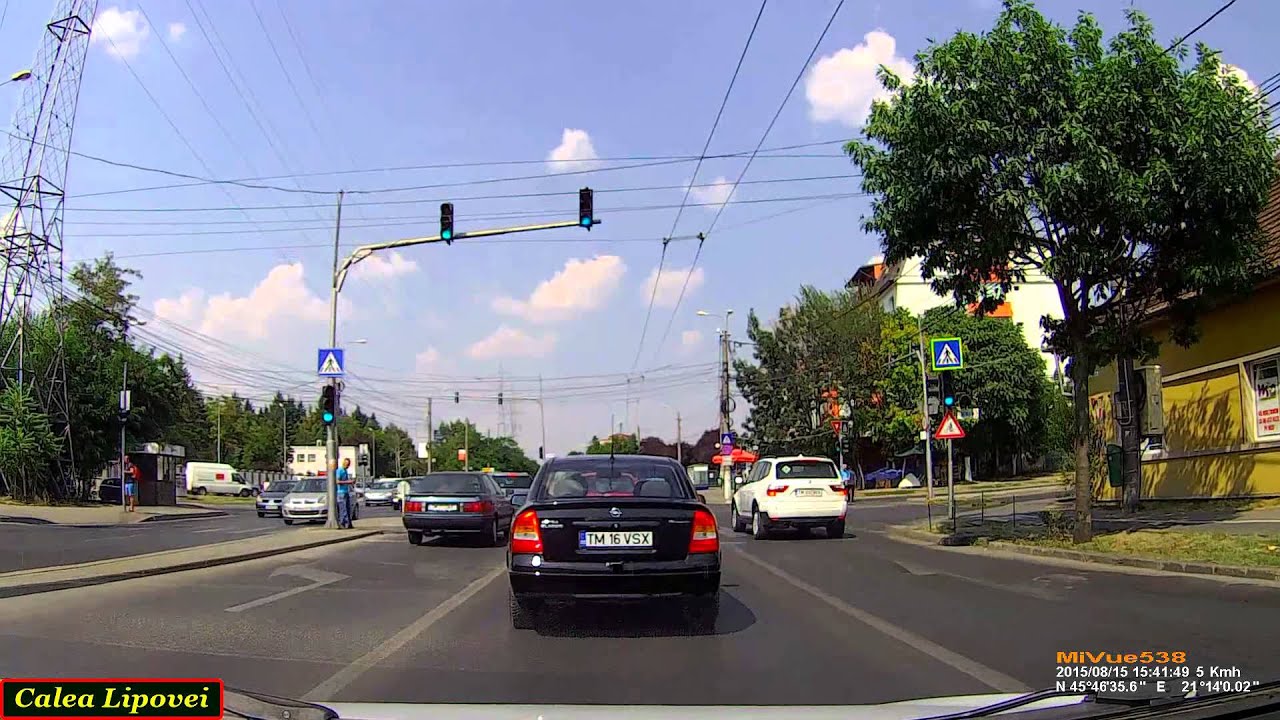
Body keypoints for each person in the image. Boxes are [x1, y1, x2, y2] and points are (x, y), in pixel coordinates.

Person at [336, 458, 355, 528]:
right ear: (343, 463)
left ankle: (348, 523)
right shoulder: (340, 471)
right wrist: (348, 482)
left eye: (348, 464)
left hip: (346, 491)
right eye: (346, 464)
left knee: (347, 508)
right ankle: (344, 523)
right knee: (343, 509)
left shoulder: (345, 471)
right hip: (340, 492)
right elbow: (337, 481)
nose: (347, 466)